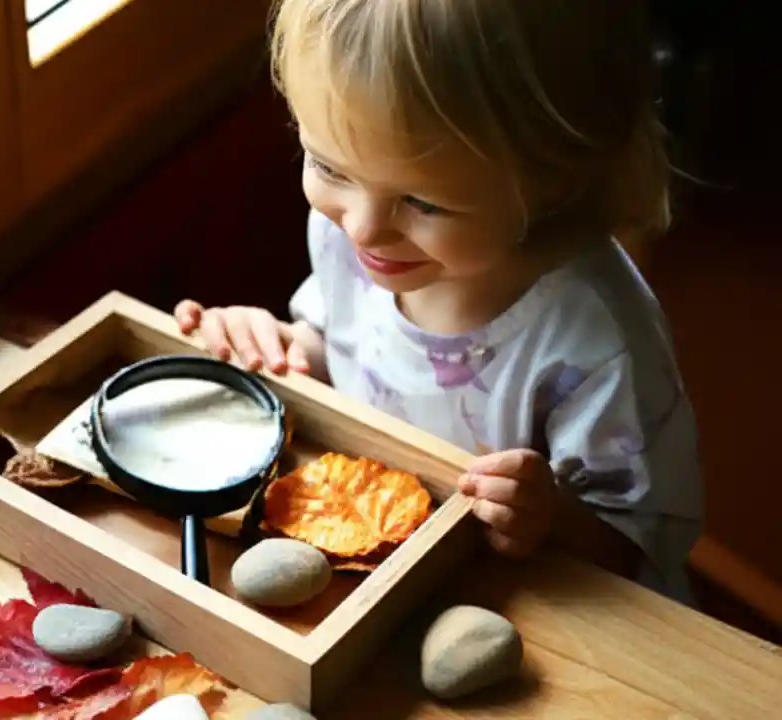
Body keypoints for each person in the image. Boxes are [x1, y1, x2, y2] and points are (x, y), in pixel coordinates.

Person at [175, 0, 703, 603]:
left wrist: (548, 516)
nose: (365, 229)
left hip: (547, 611)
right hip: (387, 569)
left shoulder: (598, 344)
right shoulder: (353, 233)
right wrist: (278, 347)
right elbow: (351, 360)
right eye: (327, 165)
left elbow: (637, 552)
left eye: (423, 203)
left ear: (557, 179)